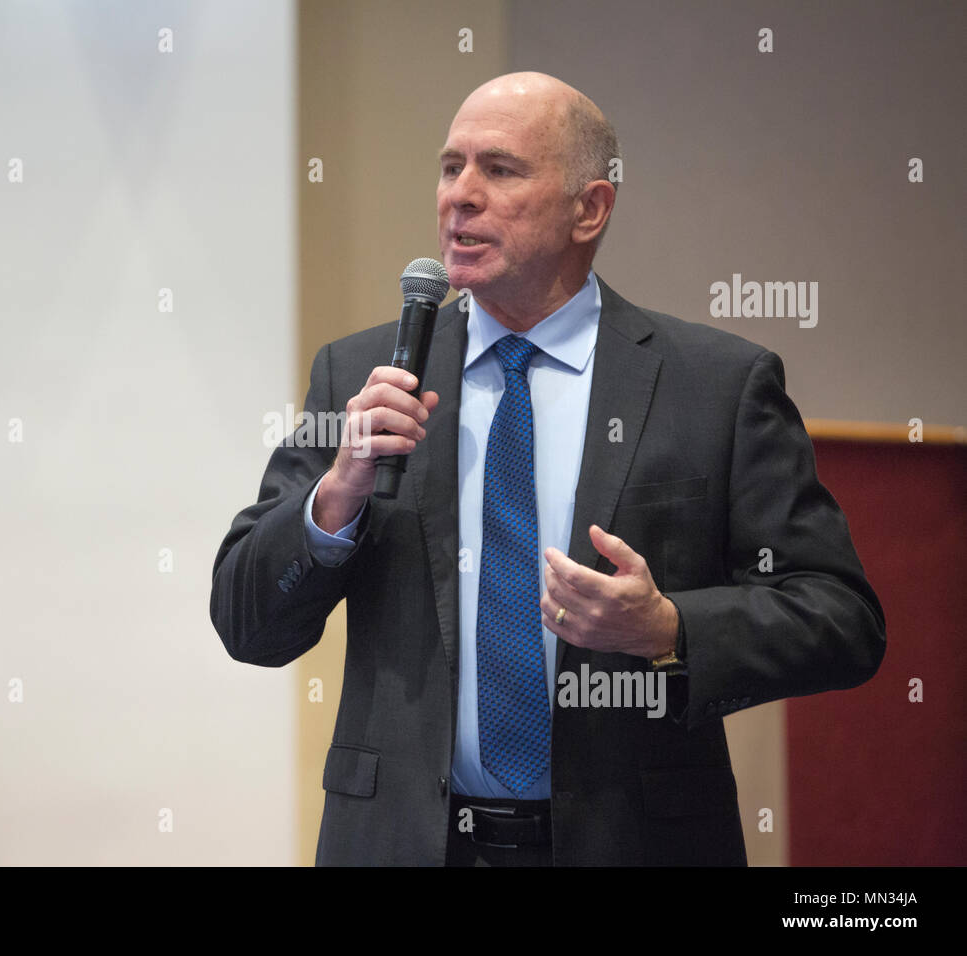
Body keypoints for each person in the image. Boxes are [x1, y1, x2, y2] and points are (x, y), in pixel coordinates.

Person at [209, 73, 884, 866]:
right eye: (449, 165)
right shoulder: (362, 378)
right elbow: (247, 623)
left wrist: (670, 629)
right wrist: (336, 499)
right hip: (405, 844)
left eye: (499, 170)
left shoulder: (715, 385)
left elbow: (842, 619)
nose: (459, 196)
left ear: (589, 208)